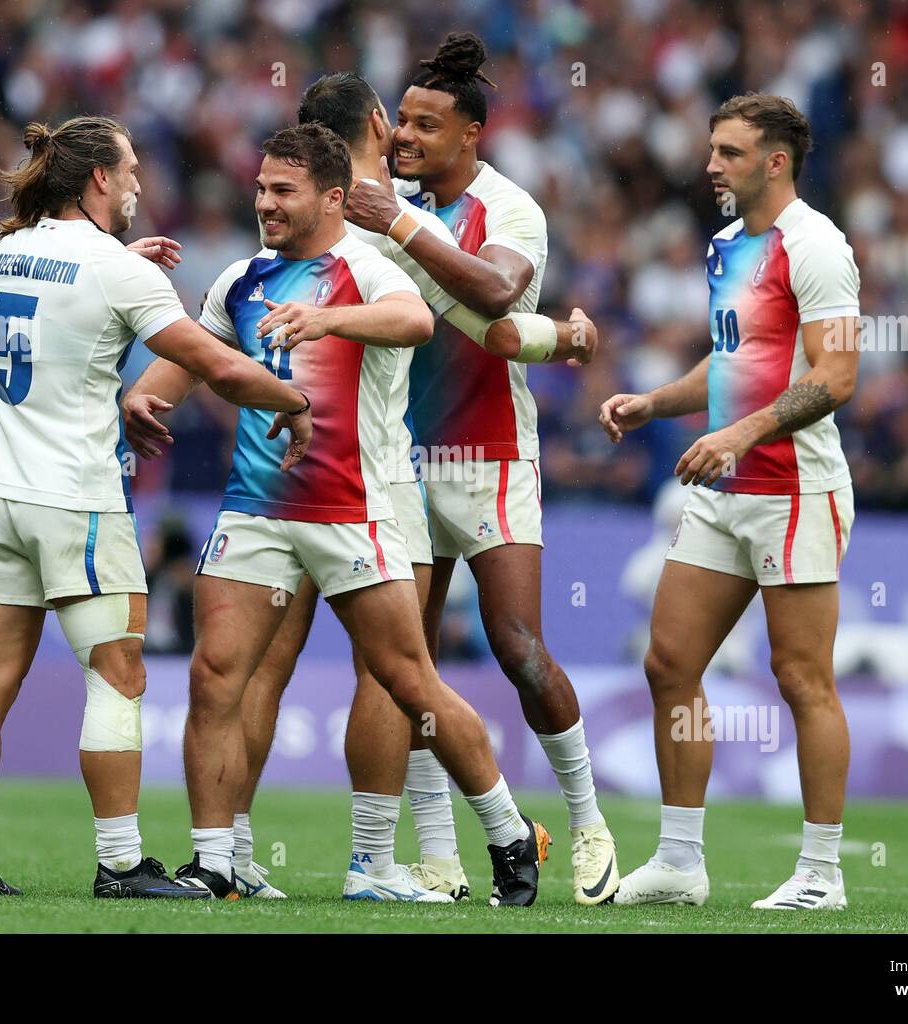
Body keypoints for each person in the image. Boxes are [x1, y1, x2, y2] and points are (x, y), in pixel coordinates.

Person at [125, 70, 596, 901]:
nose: (266, 203)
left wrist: (559, 335)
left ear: (329, 192)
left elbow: (434, 318)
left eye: (282, 190)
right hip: (264, 505)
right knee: (228, 674)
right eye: (261, 188)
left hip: (368, 501)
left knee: (401, 677)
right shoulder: (243, 275)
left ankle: (478, 836)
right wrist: (143, 396)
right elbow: (197, 355)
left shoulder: (381, 247)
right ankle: (222, 859)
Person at [0, 115, 313, 900]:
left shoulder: (4, 252)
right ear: (99, 179)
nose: (142, 180)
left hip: (2, 496)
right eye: (132, 168)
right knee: (118, 678)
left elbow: (60, 312)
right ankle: (119, 864)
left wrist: (121, 269)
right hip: (77, 501)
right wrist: (292, 396)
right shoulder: (116, 272)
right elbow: (214, 362)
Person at [342, 31, 620, 904]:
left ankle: (588, 824)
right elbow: (498, 329)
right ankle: (435, 855)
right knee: (408, 662)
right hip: (403, 458)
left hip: (493, 456)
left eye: (428, 125)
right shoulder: (386, 207)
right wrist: (562, 337)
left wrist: (399, 222)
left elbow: (496, 298)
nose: (409, 139)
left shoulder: (508, 208)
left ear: (473, 136)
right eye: (403, 125)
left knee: (517, 645)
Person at [599, 92, 861, 910]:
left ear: (775, 161)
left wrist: (739, 435)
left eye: (730, 152)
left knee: (801, 677)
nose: (711, 164)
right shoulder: (724, 247)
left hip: (794, 488)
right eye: (713, 149)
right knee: (669, 660)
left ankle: (821, 874)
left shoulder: (819, 246)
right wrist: (655, 402)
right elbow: (728, 370)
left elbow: (837, 375)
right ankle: (680, 861)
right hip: (725, 487)